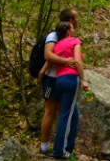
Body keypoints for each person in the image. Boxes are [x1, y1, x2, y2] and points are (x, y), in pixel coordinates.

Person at [36, 9, 78, 156]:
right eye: (76, 17)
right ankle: (44, 147)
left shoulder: (67, 35)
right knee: (50, 111)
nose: (78, 19)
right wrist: (66, 61)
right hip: (52, 79)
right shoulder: (53, 35)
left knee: (63, 113)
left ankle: (60, 148)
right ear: (70, 21)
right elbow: (48, 55)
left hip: (62, 78)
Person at [51, 20, 89, 159]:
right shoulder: (74, 41)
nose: (74, 29)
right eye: (72, 28)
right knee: (65, 115)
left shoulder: (58, 45)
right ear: (68, 30)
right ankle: (60, 151)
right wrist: (83, 79)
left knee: (73, 114)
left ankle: (69, 147)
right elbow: (78, 60)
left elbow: (53, 61)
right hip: (71, 79)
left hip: (59, 79)